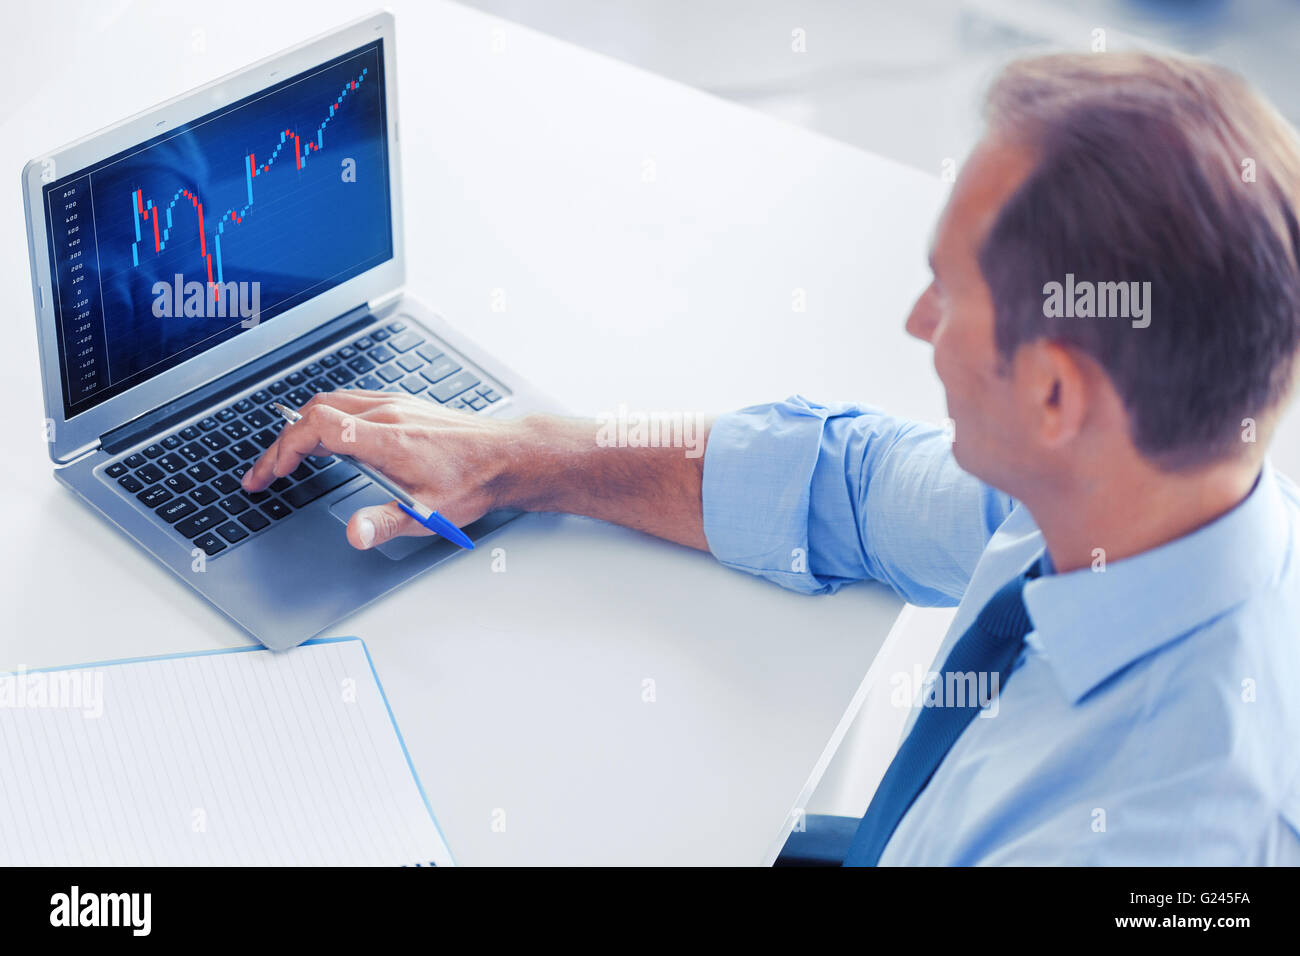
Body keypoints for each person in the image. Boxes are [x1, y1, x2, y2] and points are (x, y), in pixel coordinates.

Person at [243, 51, 1300, 865]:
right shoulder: (1133, 488)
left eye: (947, 293)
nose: (914, 320)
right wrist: (524, 456)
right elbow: (847, 484)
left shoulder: (1176, 832)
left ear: (1056, 392)